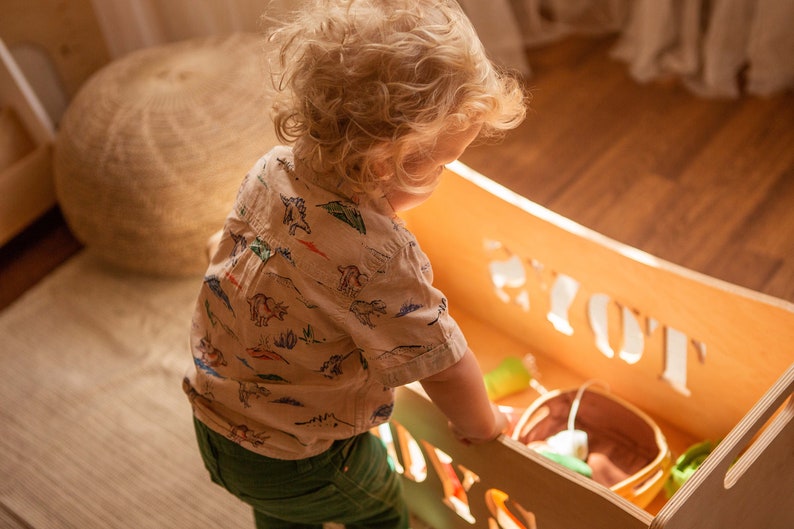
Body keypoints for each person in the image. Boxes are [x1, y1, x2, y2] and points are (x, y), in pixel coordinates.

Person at [183, 0, 527, 527]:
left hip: (217, 423)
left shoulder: (271, 167)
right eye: (440, 166)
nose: (441, 180)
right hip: (310, 458)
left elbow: (225, 247)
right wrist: (486, 425)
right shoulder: (382, 257)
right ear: (386, 160)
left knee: (282, 515)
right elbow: (443, 362)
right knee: (384, 511)